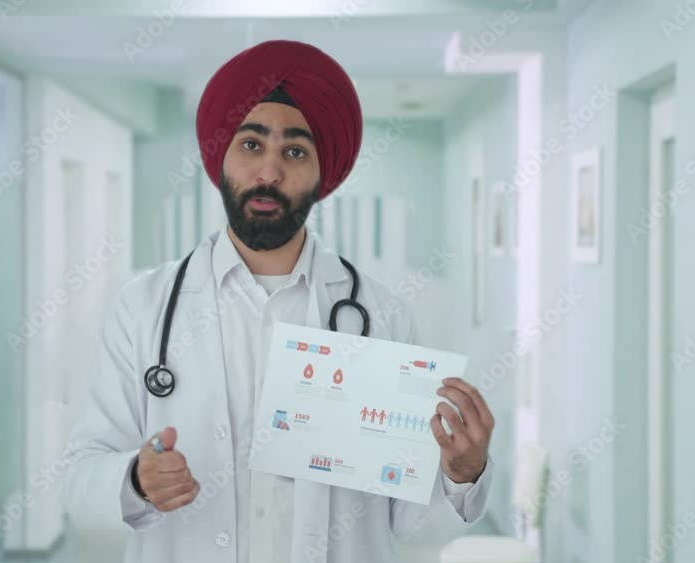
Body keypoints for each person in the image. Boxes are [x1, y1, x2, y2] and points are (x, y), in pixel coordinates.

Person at [62, 39, 495, 563]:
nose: (269, 171)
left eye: (295, 151)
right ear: (220, 156)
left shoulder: (380, 317)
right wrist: (134, 478)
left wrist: (462, 470)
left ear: (322, 173)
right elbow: (81, 476)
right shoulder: (143, 308)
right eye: (250, 145)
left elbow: (409, 513)